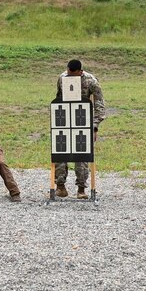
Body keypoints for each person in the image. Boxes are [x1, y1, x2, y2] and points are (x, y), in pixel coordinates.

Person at [54, 59, 106, 199]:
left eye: (74, 75)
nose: (70, 77)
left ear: (80, 72)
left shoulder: (91, 81)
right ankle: (60, 187)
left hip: (83, 121)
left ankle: (81, 189)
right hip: (64, 121)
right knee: (60, 153)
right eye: (69, 74)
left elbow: (99, 105)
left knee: (81, 156)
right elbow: (58, 99)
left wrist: (94, 127)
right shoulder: (62, 78)